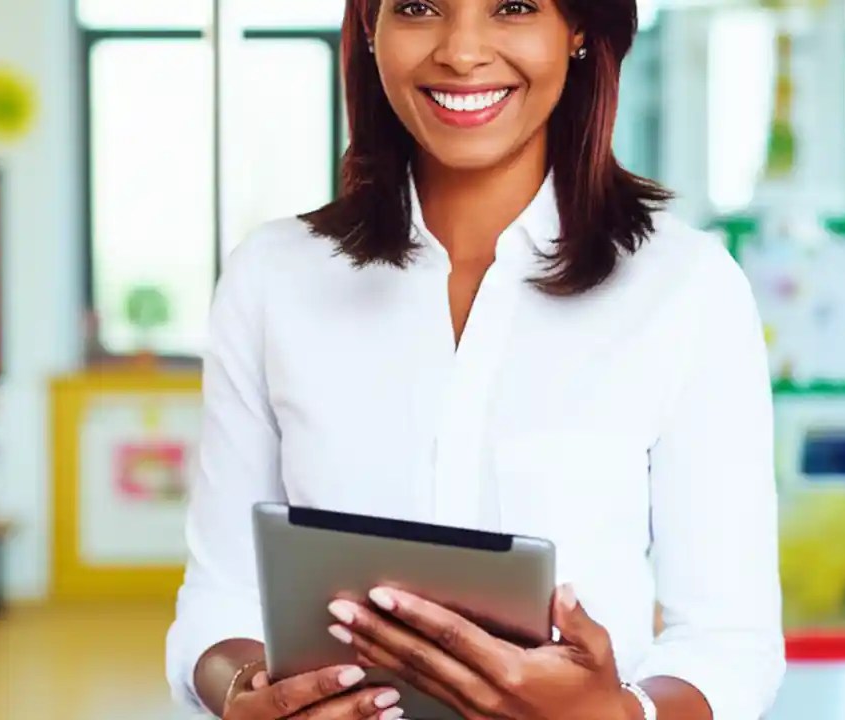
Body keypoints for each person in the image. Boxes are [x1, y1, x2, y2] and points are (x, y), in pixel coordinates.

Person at [166, 0, 785, 717]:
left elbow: (728, 642)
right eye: (419, 7)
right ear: (371, 27)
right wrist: (245, 694)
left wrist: (621, 715)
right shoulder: (271, 279)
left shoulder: (686, 286)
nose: (462, 52)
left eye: (514, 6)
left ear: (579, 28)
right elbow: (219, 601)